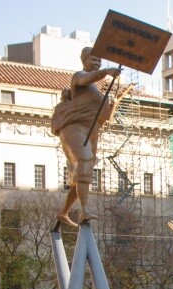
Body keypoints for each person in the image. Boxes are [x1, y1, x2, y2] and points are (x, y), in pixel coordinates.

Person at [51, 47, 121, 227]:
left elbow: (104, 116)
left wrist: (114, 100)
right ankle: (84, 211)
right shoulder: (79, 77)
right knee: (85, 160)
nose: (97, 62)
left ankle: (64, 212)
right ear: (84, 60)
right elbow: (85, 78)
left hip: (91, 130)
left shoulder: (95, 91)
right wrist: (105, 72)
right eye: (94, 59)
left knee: (83, 172)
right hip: (75, 128)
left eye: (100, 60)